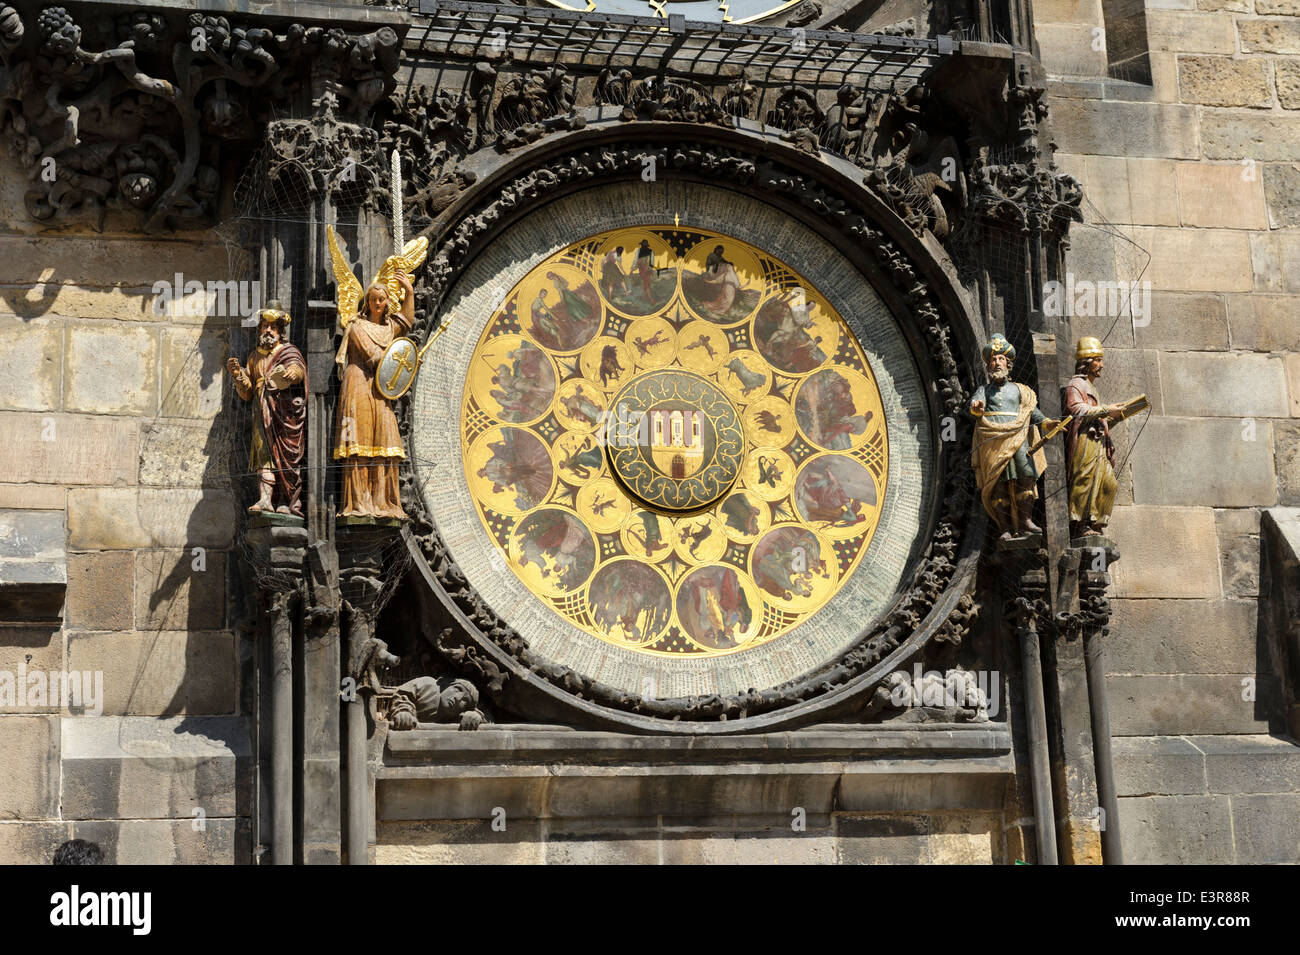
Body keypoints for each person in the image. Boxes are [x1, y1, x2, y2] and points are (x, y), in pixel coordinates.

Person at [334, 270, 415, 519]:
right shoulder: (357, 327)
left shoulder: (390, 327)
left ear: (387, 301)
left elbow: (407, 321)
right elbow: (375, 357)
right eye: (373, 299)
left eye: (382, 299)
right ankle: (359, 503)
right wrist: (404, 362)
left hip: (380, 389)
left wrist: (409, 292)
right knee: (357, 440)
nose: (378, 304)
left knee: (386, 438)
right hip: (358, 384)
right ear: (367, 302)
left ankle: (384, 503)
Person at [969, 334, 1057, 540]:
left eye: (1000, 359)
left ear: (1008, 364)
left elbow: (1030, 411)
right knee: (998, 483)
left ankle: (1026, 520)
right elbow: (974, 406)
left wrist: (1045, 422)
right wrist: (976, 408)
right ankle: (1005, 527)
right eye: (992, 360)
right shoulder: (984, 390)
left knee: (1025, 476)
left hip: (1018, 438)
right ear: (989, 366)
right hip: (992, 440)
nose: (996, 363)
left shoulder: (1020, 390)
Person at [226, 301, 307, 516]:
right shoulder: (254, 357)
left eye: (273, 326)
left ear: (280, 330)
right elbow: (247, 392)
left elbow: (298, 368)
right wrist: (238, 376)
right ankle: (265, 499)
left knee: (286, 456)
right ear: (260, 329)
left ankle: (287, 500)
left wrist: (293, 373)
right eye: (265, 326)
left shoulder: (288, 351)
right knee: (263, 454)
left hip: (284, 411)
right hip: (261, 411)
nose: (268, 330)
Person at [1064, 337, 1123, 538]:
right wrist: (1105, 409)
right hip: (1085, 441)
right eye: (1098, 360)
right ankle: (1080, 524)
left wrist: (1115, 415)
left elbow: (1095, 413)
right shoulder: (1075, 385)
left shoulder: (1091, 386)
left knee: (1109, 483)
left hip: (1097, 441)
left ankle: (1097, 521)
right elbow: (1075, 408)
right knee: (1085, 478)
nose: (1102, 365)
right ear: (1087, 362)